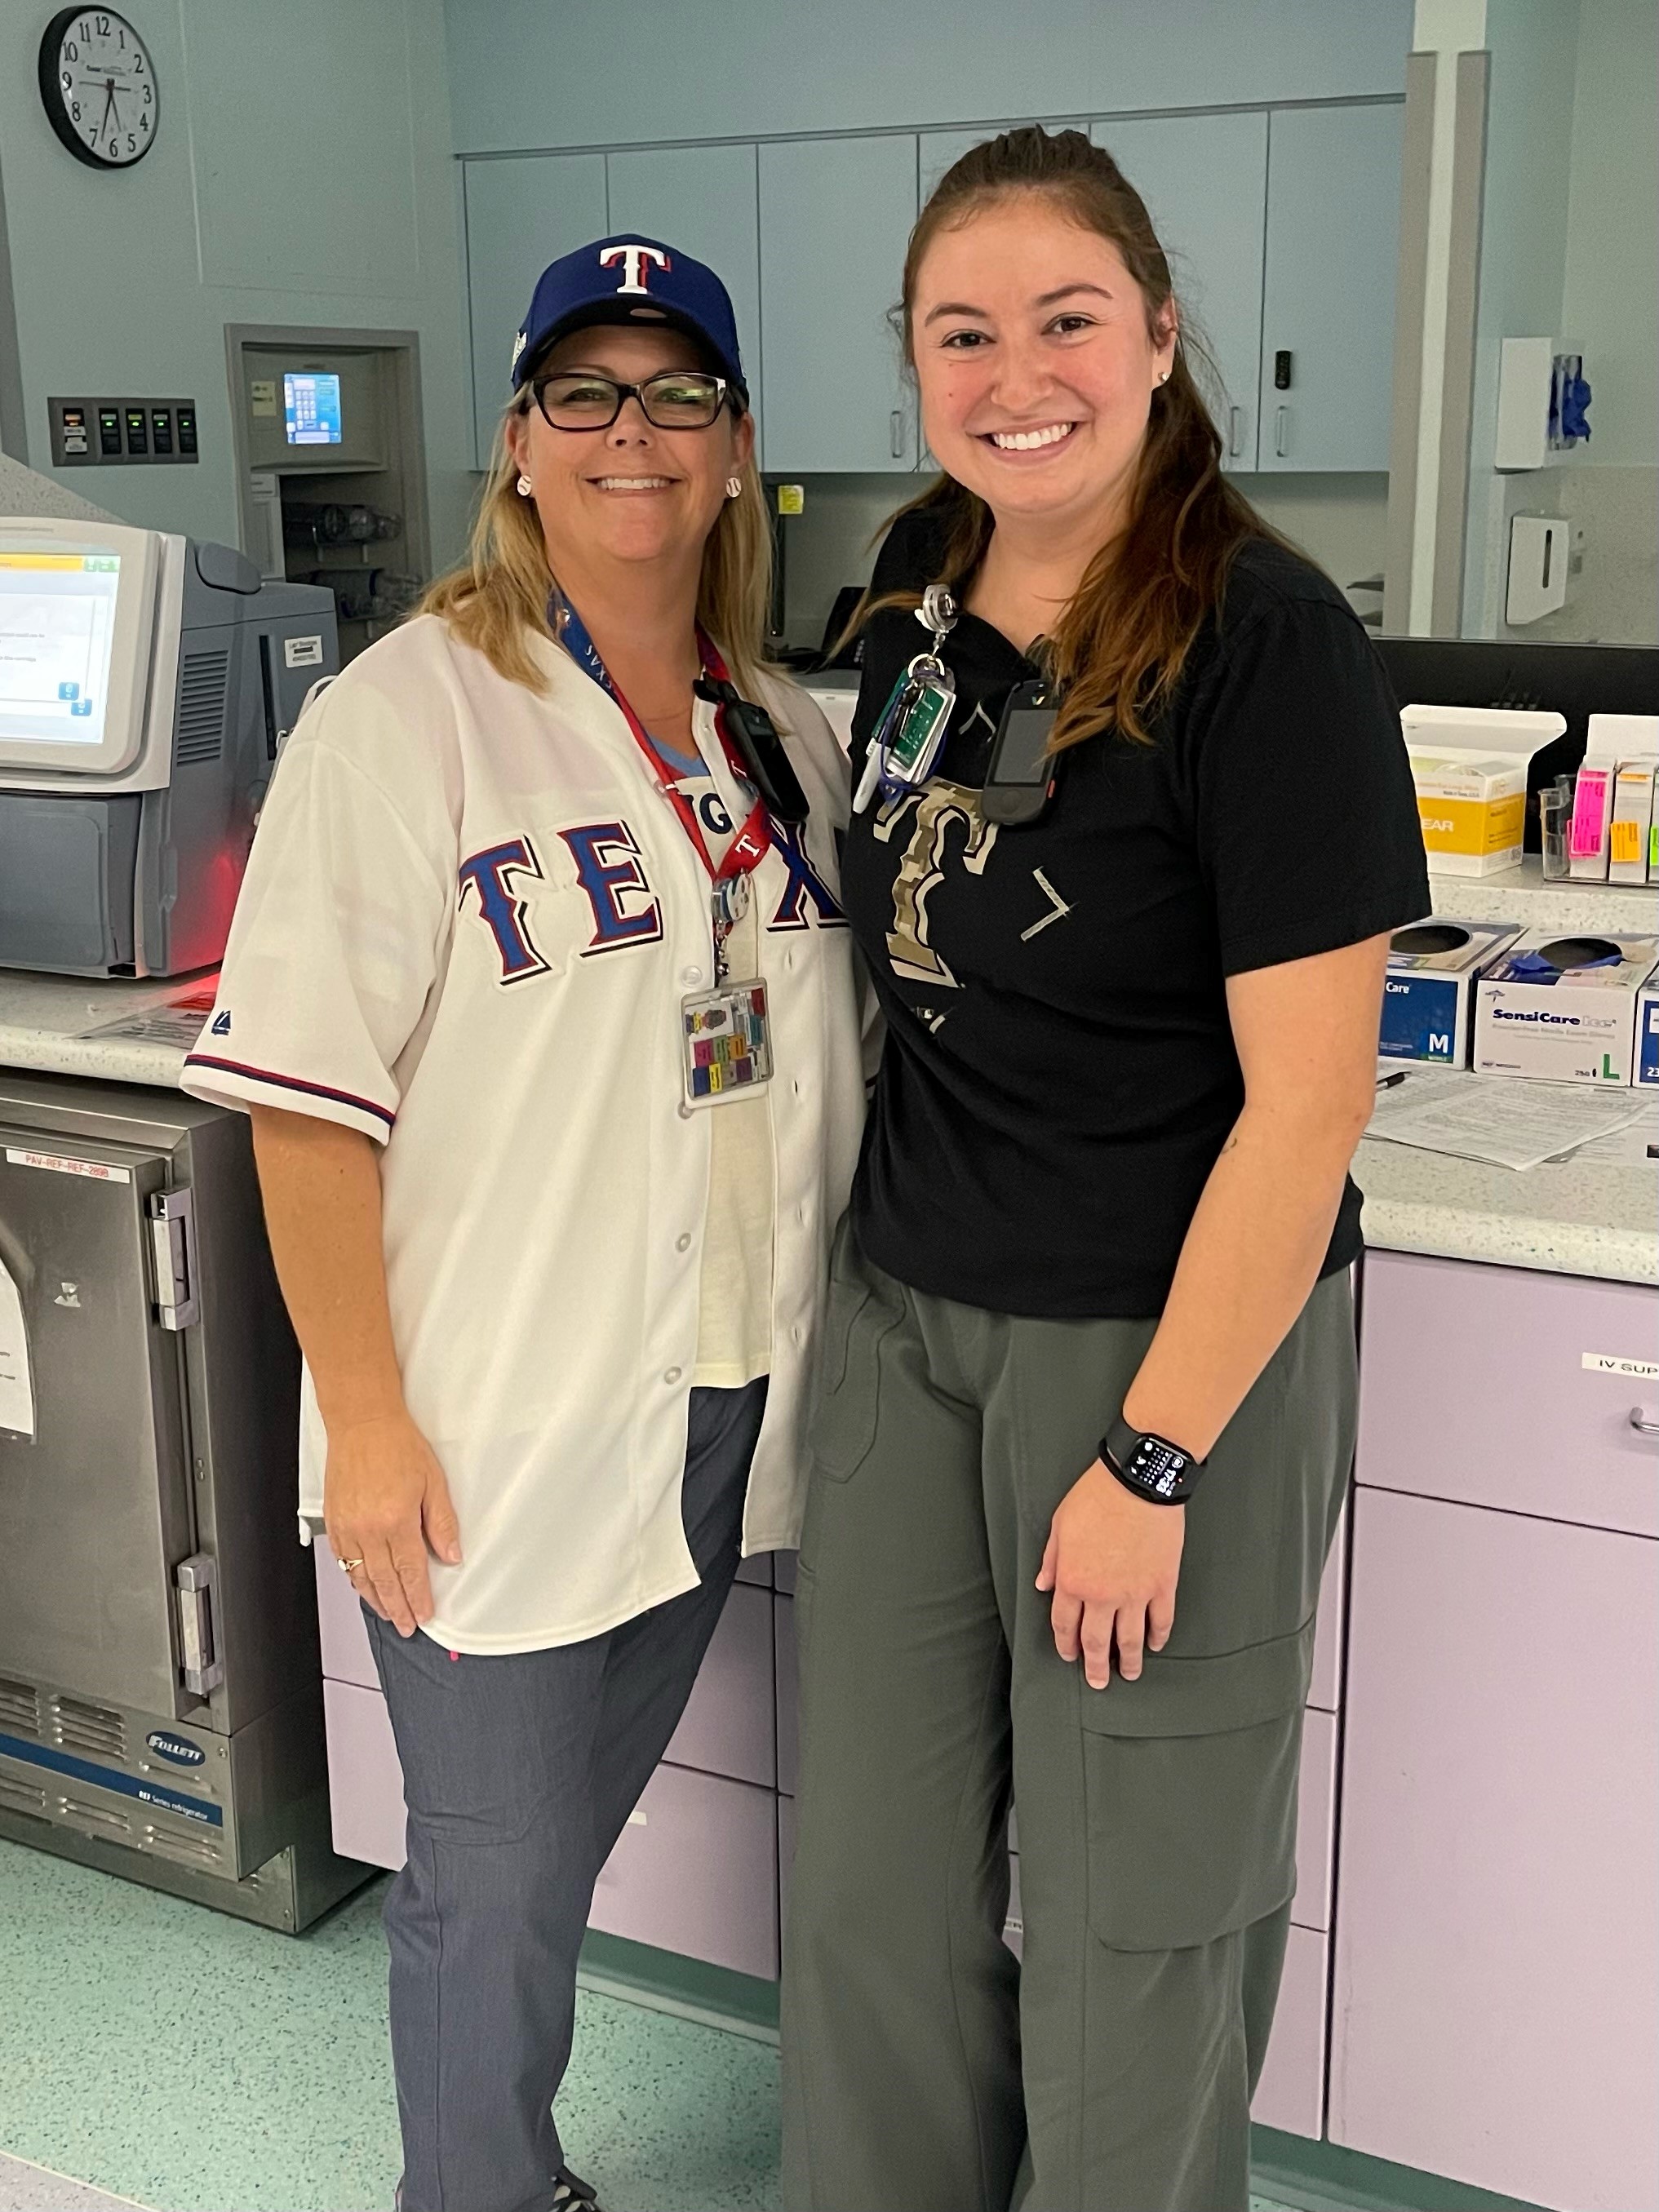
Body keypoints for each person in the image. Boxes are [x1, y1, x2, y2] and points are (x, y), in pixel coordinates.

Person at [780, 126, 1431, 2212]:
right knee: (871, 1892)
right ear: (912, 364)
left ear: (1160, 335)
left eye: (1068, 318)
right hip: (909, 1319)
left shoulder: (1269, 641)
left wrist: (1152, 1462)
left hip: (1168, 1352)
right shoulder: (909, 580)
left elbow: (1310, 1106)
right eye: (961, 333)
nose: (1016, 372)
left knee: (1139, 1916)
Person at [182, 236, 865, 2212]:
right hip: (481, 1427)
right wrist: (370, 1422)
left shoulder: (781, 735)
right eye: (587, 393)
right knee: (489, 1879)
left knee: (558, 1844)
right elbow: (306, 1111)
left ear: (739, 449)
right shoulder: (406, 722)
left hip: (718, 1395)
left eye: (676, 396)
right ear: (518, 437)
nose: (629, 433)